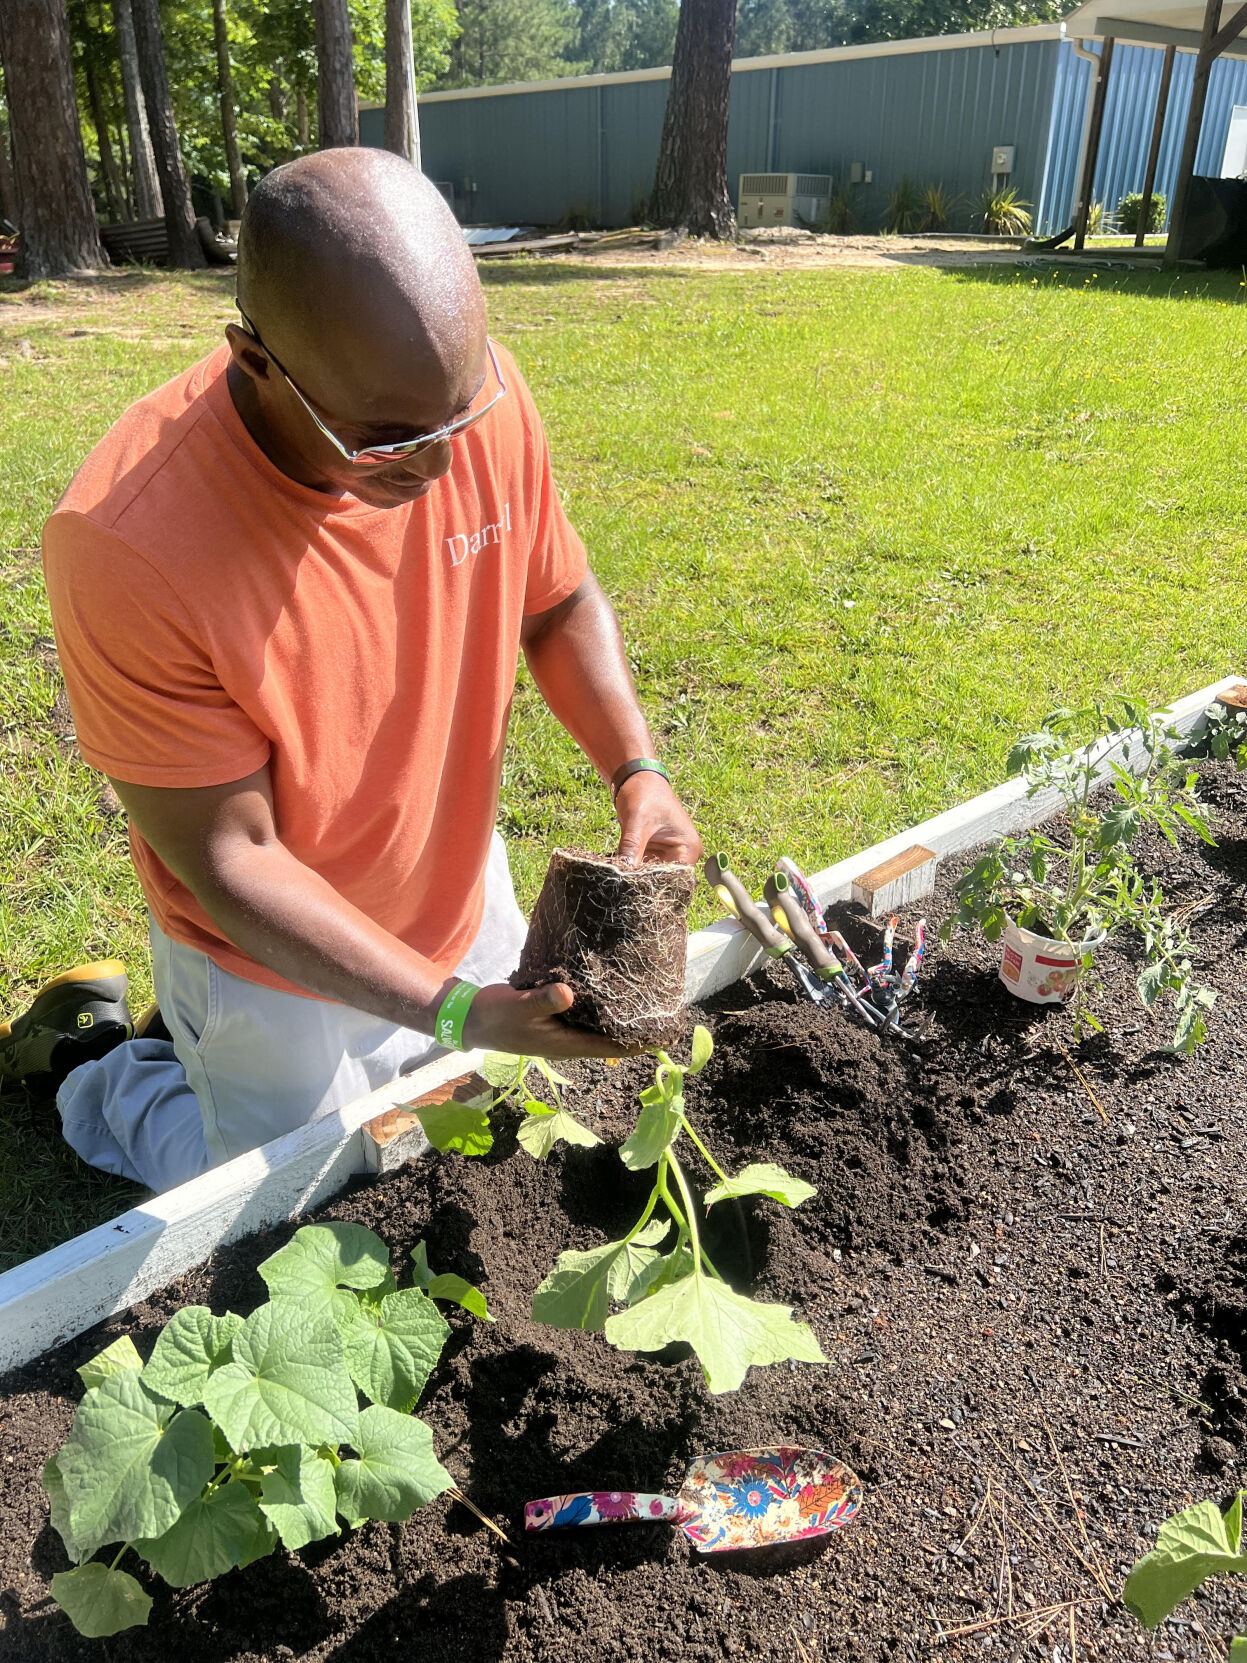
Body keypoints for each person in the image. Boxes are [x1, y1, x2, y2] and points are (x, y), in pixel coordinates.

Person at [1, 148, 701, 1193]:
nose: (440, 464)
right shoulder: (127, 542)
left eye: (457, 416)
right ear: (253, 361)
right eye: (387, 441)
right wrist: (458, 1006)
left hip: (451, 881)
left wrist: (635, 766)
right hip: (257, 947)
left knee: (475, 1110)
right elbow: (235, 863)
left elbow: (555, 603)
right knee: (280, 1191)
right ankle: (101, 1065)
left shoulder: (466, 397)